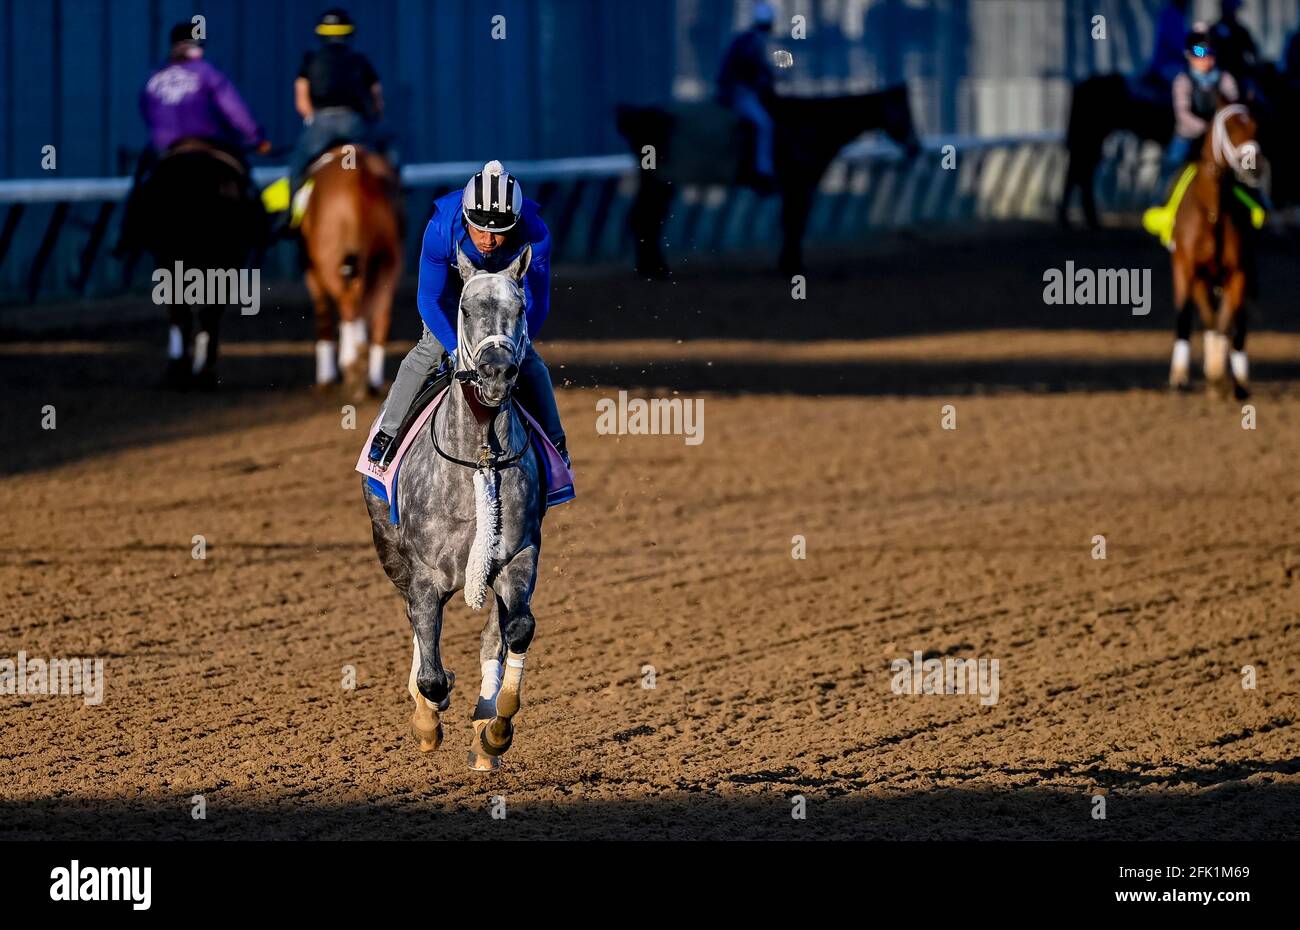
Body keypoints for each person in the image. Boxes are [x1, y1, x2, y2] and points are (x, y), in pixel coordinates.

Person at [367, 161, 567, 468]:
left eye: (499, 231)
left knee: (528, 359)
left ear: (514, 224)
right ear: (464, 217)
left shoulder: (536, 236)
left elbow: (537, 302)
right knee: (429, 351)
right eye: (479, 228)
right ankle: (387, 433)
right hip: (452, 292)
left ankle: (556, 444)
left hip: (503, 293)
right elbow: (429, 300)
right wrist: (456, 349)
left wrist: (518, 343)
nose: (488, 239)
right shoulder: (440, 228)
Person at [116, 22, 269, 255]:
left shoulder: (154, 78)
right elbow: (234, 111)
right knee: (246, 181)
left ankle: (127, 238)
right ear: (196, 46)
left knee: (140, 184)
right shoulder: (208, 73)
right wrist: (256, 138)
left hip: (167, 148)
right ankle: (261, 232)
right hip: (210, 143)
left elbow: (147, 111)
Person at [276, 8, 393, 225]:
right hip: (356, 126)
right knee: (388, 163)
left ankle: (290, 215)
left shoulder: (310, 60)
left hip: (320, 126)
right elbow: (377, 103)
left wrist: (315, 122)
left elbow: (302, 102)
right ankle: (394, 209)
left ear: (321, 34)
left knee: (297, 166)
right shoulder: (361, 61)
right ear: (349, 34)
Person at [1143, 27, 1242, 243]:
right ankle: (1161, 206)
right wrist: (1208, 128)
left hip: (1218, 140)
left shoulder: (1224, 79)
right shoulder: (1183, 80)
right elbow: (1183, 114)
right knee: (1173, 165)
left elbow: (1233, 107)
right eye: (1199, 53)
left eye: (1211, 53)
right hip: (1189, 136)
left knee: (1241, 166)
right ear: (1189, 55)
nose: (1206, 58)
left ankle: (1255, 204)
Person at [716, 2, 777, 187]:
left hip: (739, 91)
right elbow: (754, 70)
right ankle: (763, 169)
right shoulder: (753, 42)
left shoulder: (748, 40)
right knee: (764, 125)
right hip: (739, 94)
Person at [1211, 0, 1258, 84]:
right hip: (1217, 77)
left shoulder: (1241, 31)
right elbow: (1202, 48)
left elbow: (1253, 51)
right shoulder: (1213, 30)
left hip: (1238, 76)